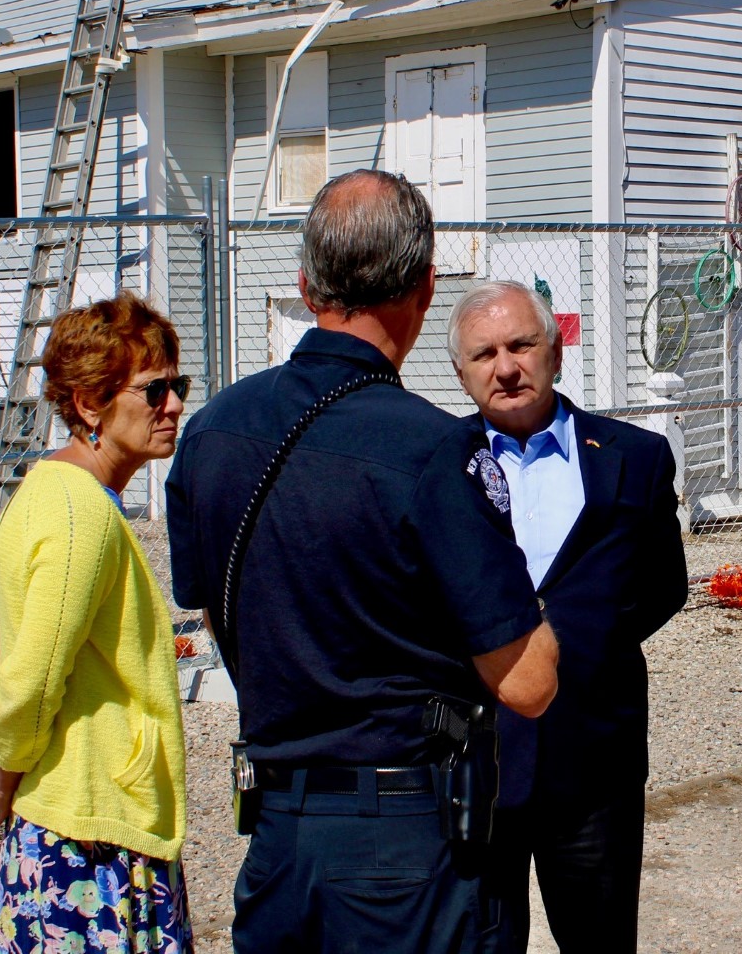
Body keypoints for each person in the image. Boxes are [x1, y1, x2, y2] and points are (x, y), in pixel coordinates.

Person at [164, 169, 559, 954]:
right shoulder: (433, 450)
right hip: (405, 844)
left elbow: (220, 613)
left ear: (308, 286)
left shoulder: (211, 434)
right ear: (424, 286)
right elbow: (529, 682)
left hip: (279, 834)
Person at [0, 291, 194, 953]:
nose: (174, 405)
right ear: (88, 404)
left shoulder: (72, 496)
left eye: (178, 385)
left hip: (87, 817)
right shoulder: (78, 513)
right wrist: (4, 763)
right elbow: (34, 677)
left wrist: (2, 764)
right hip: (87, 841)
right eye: (154, 389)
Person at [448, 280, 688, 954]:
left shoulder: (634, 459)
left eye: (521, 344)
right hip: (475, 762)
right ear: (462, 374)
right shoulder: (436, 465)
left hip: (593, 763)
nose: (505, 366)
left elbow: (664, 585)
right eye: (484, 353)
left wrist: (585, 644)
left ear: (554, 351)